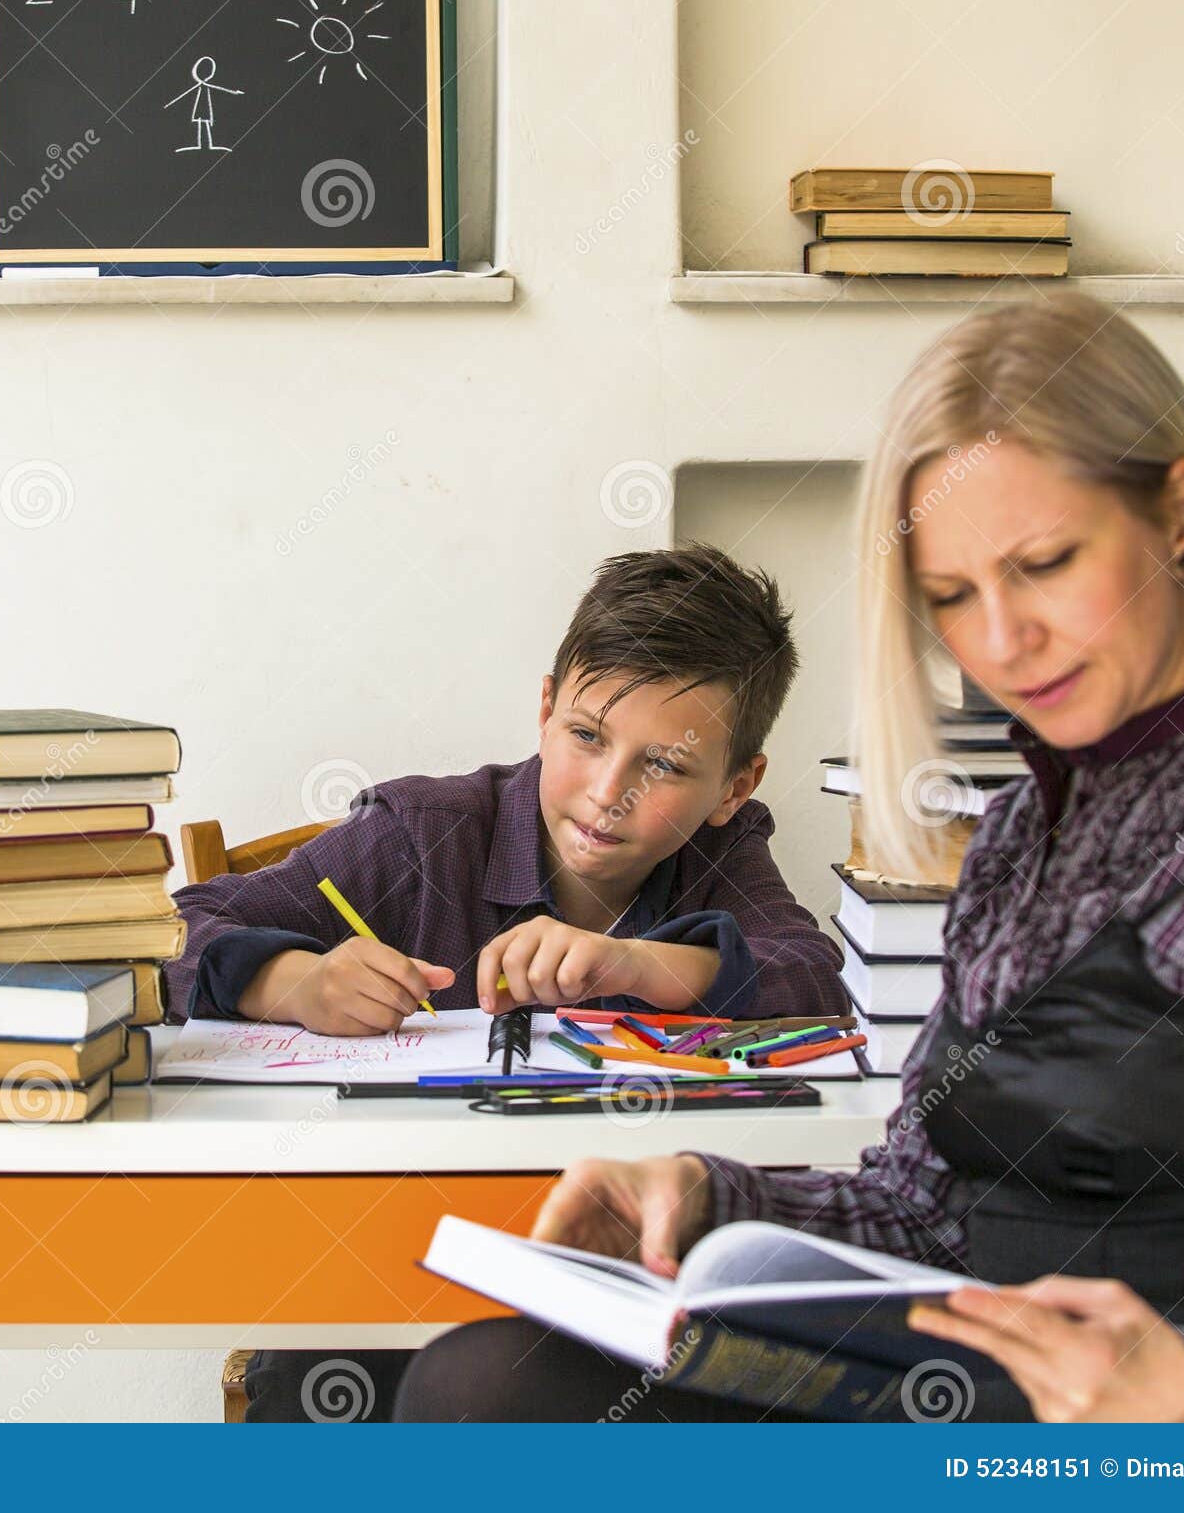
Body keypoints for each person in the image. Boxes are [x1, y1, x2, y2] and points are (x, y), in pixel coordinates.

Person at [394, 290, 1184, 1424]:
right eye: (952, 597)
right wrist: (704, 1197)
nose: (1000, 644)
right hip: (963, 1391)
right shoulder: (1019, 835)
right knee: (493, 1382)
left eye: (1047, 562)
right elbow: (924, 1208)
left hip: (1156, 1447)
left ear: (1179, 511)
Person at [167, 542, 848, 1420]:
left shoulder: (726, 850)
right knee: (321, 1385)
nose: (610, 792)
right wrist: (288, 982)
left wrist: (642, 963)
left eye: (667, 766)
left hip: (621, 1286)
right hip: (389, 1266)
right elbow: (175, 929)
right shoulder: (423, 833)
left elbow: (815, 985)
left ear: (733, 785)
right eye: (587, 736)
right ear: (544, 708)